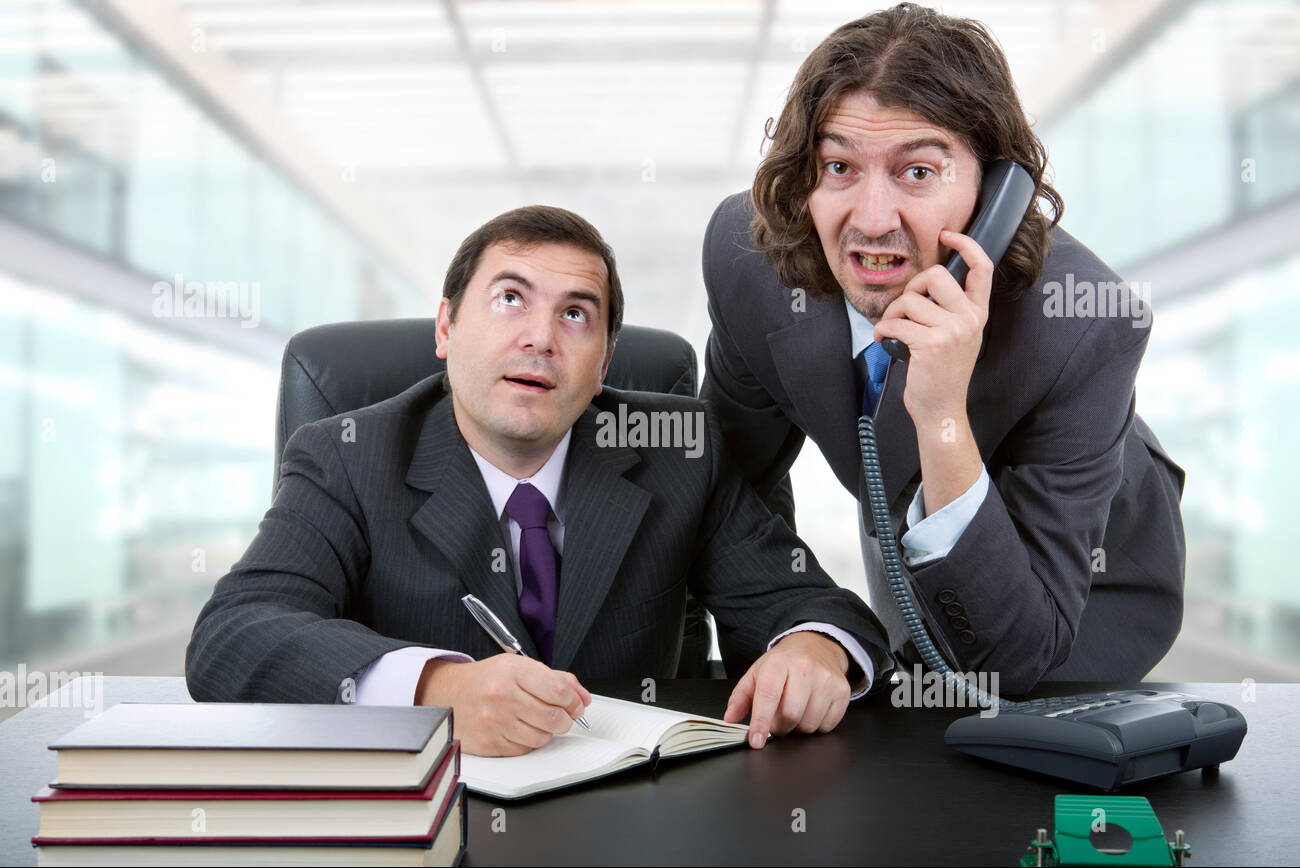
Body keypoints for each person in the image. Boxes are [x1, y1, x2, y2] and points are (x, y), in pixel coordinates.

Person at [187, 205, 894, 756]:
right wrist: (438, 689)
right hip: (425, 817)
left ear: (605, 362)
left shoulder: (681, 453)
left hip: (623, 818)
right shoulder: (345, 456)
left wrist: (814, 648)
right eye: (509, 300)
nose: (540, 338)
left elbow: (820, 607)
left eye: (575, 314)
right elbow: (233, 635)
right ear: (446, 327)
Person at [699, 3, 1186, 693]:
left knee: (1004, 758)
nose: (870, 221)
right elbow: (727, 488)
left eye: (917, 173)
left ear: (994, 192)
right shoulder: (745, 259)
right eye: (839, 165)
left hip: (1089, 590)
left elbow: (1018, 655)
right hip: (912, 546)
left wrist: (942, 416)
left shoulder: (1082, 325)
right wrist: (801, 627)